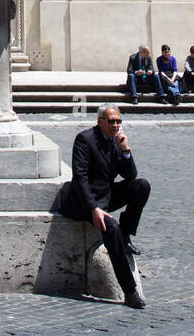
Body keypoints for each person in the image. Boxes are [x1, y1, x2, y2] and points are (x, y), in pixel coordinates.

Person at [58, 104, 150, 308]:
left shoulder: (116, 140)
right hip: (85, 203)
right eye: (111, 121)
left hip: (106, 196)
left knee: (141, 185)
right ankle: (130, 291)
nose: (116, 125)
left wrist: (125, 149)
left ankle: (126, 235)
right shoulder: (85, 139)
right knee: (112, 229)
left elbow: (130, 175)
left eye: (118, 121)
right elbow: (80, 177)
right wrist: (94, 208)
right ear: (99, 121)